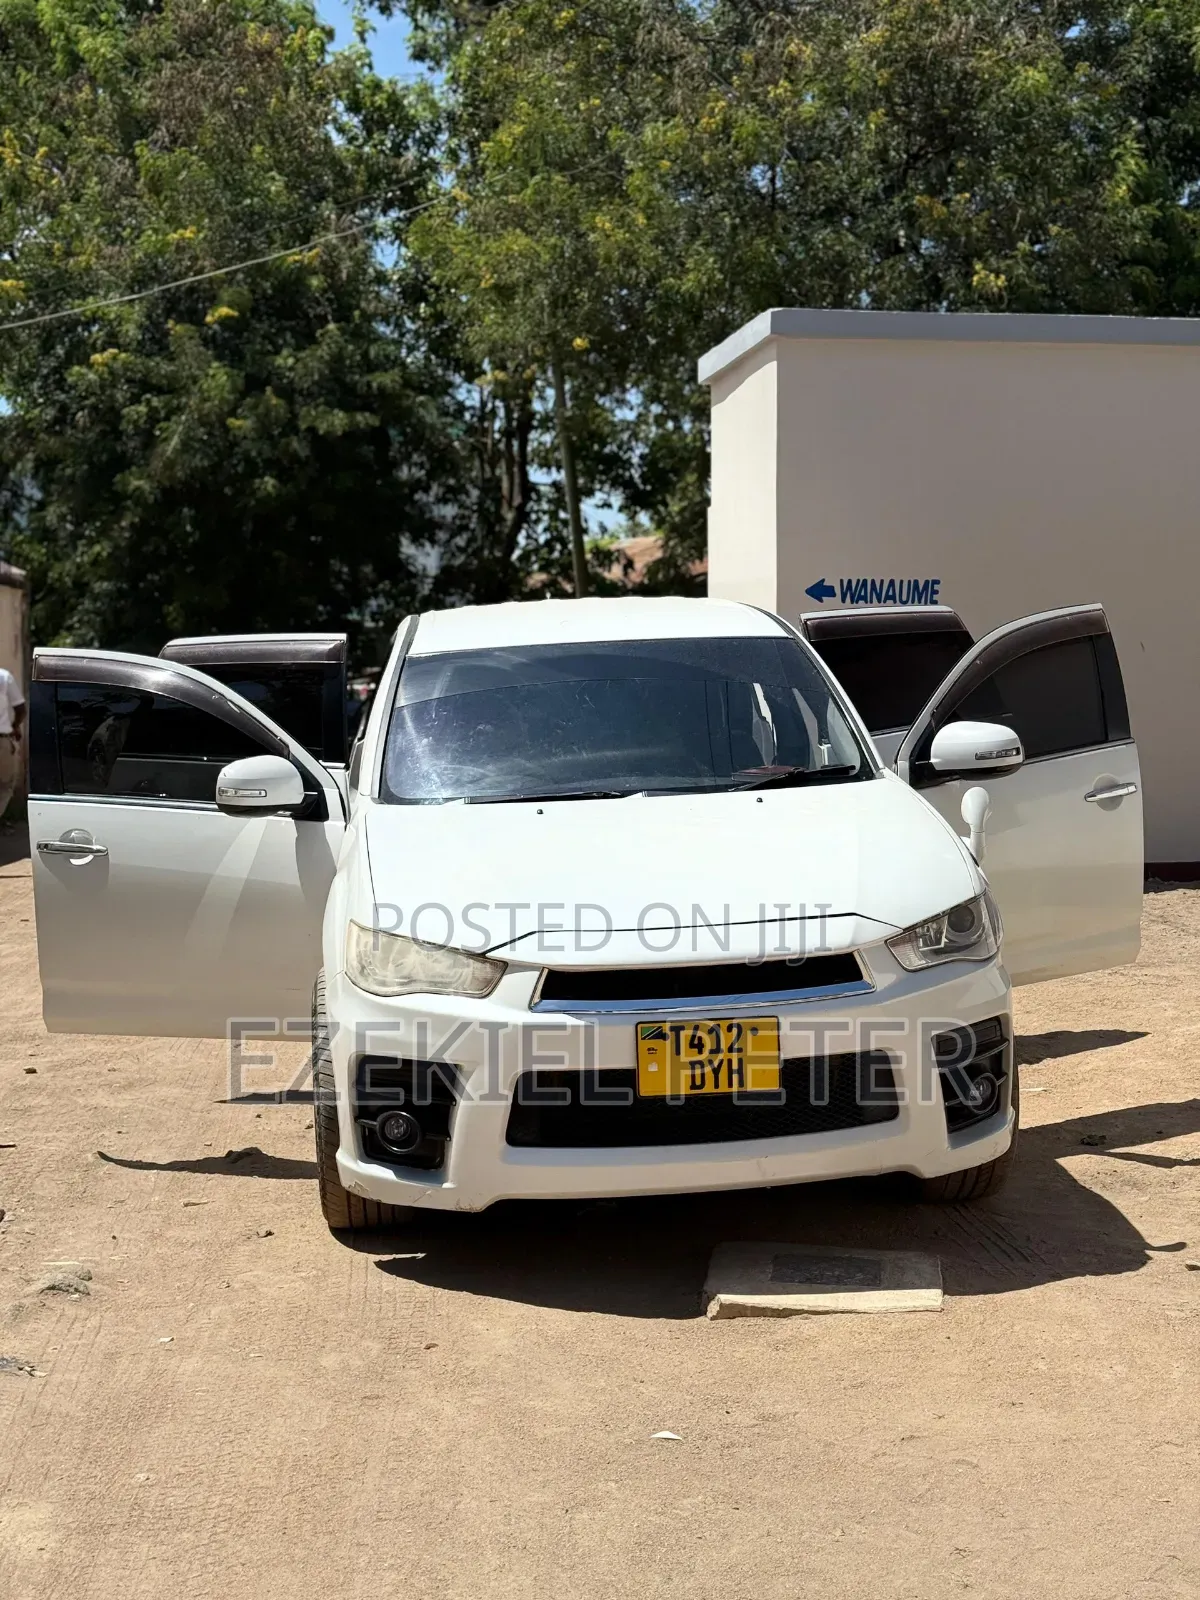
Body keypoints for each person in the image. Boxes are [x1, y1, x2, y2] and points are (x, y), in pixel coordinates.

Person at [0, 663, 26, 820]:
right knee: (6, 784)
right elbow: (21, 709)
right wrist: (15, 726)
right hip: (1, 742)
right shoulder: (4, 677)